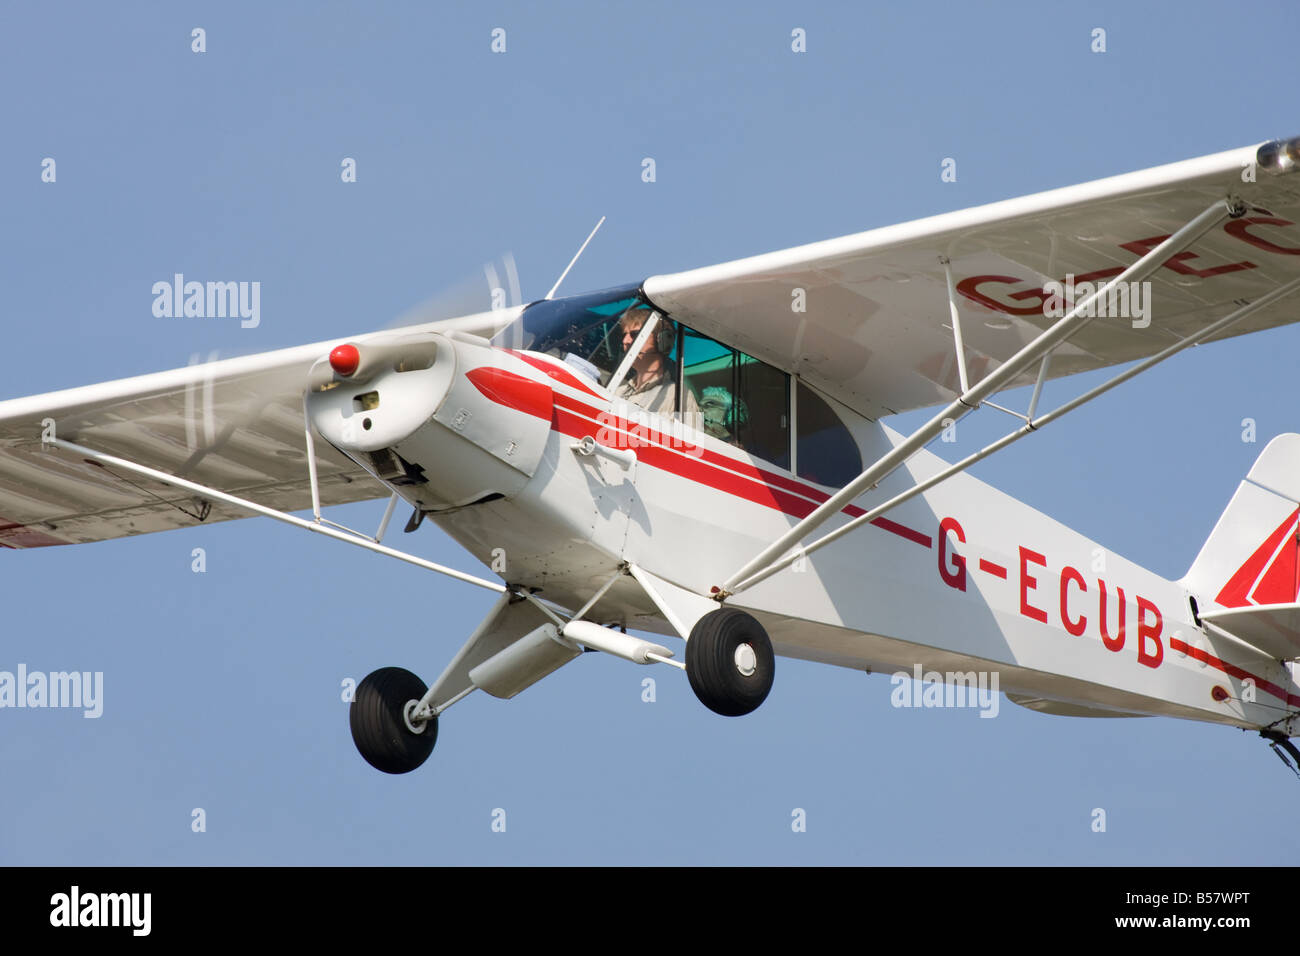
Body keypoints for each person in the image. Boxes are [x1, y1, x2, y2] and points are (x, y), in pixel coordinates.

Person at [615, 307, 701, 423]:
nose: (625, 341)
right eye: (624, 335)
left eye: (635, 334)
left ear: (662, 340)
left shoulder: (680, 397)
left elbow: (691, 440)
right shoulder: (618, 392)